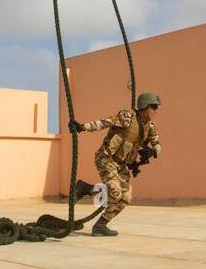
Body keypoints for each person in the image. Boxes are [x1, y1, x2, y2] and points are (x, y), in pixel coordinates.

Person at [69, 92, 162, 236]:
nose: (156, 111)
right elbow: (105, 122)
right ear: (145, 107)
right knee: (115, 192)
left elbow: (157, 144)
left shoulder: (150, 127)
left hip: (121, 165)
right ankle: (86, 188)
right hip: (106, 159)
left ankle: (100, 225)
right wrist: (82, 127)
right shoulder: (127, 117)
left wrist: (152, 152)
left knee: (125, 197)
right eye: (154, 107)